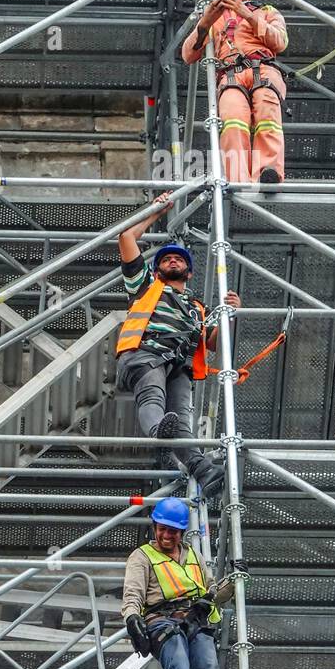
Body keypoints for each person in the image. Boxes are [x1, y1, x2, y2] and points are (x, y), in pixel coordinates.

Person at [116, 192, 240, 494]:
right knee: (152, 399)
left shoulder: (198, 308)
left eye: (179, 259)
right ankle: (159, 430)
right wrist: (156, 211)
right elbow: (125, 237)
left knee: (182, 423)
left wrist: (230, 315)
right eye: (167, 259)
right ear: (158, 270)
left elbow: (216, 346)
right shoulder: (145, 287)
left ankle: (202, 469)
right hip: (146, 353)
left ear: (189, 271)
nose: (173, 260)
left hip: (180, 366)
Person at [123, 497, 239, 669]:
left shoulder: (193, 555)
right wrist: (132, 619)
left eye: (172, 531)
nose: (166, 535)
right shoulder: (142, 557)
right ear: (155, 527)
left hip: (195, 619)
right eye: (162, 529)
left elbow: (212, 592)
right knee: (178, 660)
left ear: (181, 532)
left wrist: (234, 582)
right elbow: (133, 595)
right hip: (161, 621)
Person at [181, 0, 288, 185]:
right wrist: (204, 23)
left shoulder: (267, 11)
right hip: (231, 74)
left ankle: (267, 171)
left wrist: (246, 14)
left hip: (264, 70)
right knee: (233, 121)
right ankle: (238, 178)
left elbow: (279, 41)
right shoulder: (218, 17)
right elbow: (188, 54)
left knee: (267, 117)